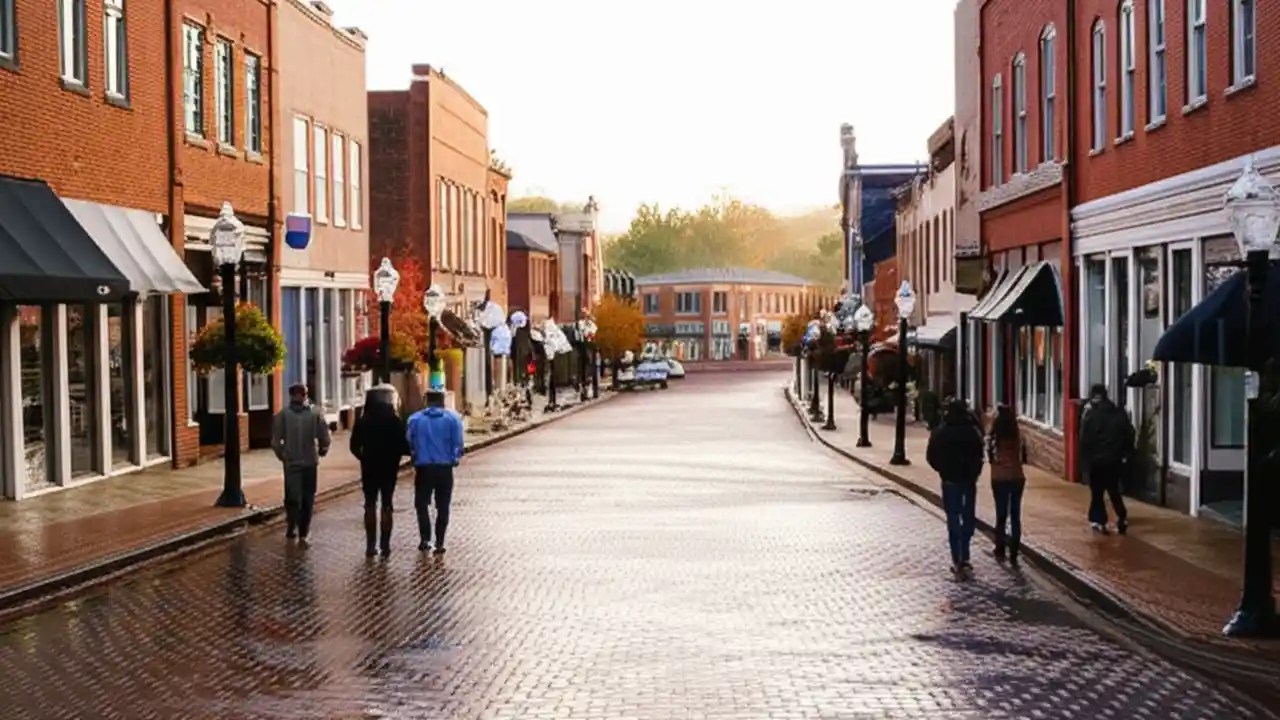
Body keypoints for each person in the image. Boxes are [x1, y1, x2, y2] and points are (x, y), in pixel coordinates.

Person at [926, 398, 985, 578]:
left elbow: (931, 456)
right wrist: (974, 472)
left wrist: (943, 469)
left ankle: (957, 557)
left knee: (953, 517)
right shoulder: (972, 431)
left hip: (950, 480)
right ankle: (965, 554)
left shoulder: (941, 432)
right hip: (968, 480)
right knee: (967, 516)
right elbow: (979, 455)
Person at [350, 385, 410, 558]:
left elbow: (354, 446)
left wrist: (363, 457)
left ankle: (370, 545)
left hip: (369, 467)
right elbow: (404, 447)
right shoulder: (395, 421)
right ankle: (385, 545)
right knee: (387, 504)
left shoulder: (363, 421)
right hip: (389, 468)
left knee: (369, 504)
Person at [406, 390, 465, 554]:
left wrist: (416, 453)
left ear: (426, 401)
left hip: (424, 468)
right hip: (444, 468)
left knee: (421, 504)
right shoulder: (453, 419)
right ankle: (440, 541)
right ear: (442, 401)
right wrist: (454, 457)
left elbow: (410, 441)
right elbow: (459, 444)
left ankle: (425, 538)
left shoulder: (415, 419)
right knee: (443, 505)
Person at [271, 383, 331, 544]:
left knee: (301, 497)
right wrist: (322, 449)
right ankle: (296, 528)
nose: (299, 397)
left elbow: (324, 435)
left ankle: (299, 529)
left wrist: (283, 456)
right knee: (299, 497)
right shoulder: (290, 415)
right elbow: (276, 441)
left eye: (301, 394)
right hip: (301, 462)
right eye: (298, 394)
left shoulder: (308, 414)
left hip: (302, 463)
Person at [1079, 384, 1133, 534]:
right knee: (1114, 490)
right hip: (1114, 460)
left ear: (1095, 397)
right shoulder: (1118, 413)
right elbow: (1128, 435)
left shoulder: (1091, 415)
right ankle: (1122, 516)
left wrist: (1084, 461)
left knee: (1097, 493)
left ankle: (1099, 521)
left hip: (1096, 462)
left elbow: (1085, 440)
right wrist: (1125, 454)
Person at [987, 404, 1026, 564]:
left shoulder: (993, 439)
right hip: (1017, 477)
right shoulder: (1018, 437)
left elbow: (990, 458)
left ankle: (1000, 548)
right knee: (1015, 515)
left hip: (999, 478)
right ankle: (1015, 551)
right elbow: (1023, 457)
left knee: (1001, 514)